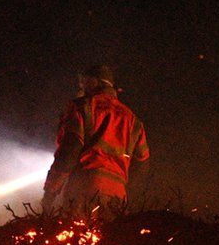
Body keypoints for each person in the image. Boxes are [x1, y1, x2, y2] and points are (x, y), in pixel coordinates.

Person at [41, 65, 149, 220]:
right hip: (117, 200)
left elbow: (69, 151)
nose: (81, 88)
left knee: (78, 241)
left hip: (84, 191)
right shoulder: (134, 121)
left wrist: (50, 192)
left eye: (83, 83)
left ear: (93, 82)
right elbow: (142, 164)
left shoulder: (83, 106)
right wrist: (124, 192)